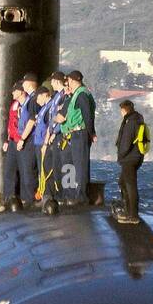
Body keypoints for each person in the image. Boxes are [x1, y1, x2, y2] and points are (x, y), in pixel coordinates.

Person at [60, 70, 97, 204]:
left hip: (80, 133)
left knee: (80, 165)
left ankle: (82, 196)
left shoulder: (81, 94)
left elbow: (87, 115)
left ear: (73, 80)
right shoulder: (76, 94)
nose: (67, 83)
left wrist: (91, 132)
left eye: (68, 80)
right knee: (72, 164)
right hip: (73, 134)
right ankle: (71, 194)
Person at [115, 99, 147, 224]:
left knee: (130, 186)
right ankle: (128, 211)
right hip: (136, 157)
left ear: (124, 110)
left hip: (129, 159)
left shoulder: (130, 122)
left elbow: (126, 143)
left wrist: (120, 156)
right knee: (123, 183)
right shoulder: (138, 120)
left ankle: (133, 215)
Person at [40, 72, 68, 200]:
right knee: (52, 166)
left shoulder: (64, 96)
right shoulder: (57, 96)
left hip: (58, 136)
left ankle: (61, 195)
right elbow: (52, 118)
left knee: (59, 167)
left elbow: (61, 117)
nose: (51, 84)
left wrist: (54, 132)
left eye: (52, 81)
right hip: (52, 136)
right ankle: (51, 193)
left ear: (57, 81)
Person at [2, 84, 29, 202]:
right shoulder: (14, 105)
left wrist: (22, 139)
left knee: (25, 170)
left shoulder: (29, 104)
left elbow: (30, 123)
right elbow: (10, 124)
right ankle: (9, 198)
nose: (12, 93)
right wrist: (7, 140)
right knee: (9, 170)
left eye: (14, 91)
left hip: (23, 141)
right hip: (12, 141)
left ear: (21, 92)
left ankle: (26, 199)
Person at [30, 86, 51, 198]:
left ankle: (46, 194)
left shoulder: (49, 108)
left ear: (44, 94)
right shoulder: (43, 108)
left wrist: (45, 144)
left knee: (45, 170)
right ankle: (41, 192)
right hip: (38, 143)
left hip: (43, 144)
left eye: (38, 98)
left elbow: (50, 127)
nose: (37, 101)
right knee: (40, 171)